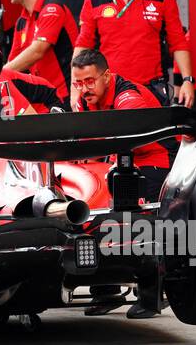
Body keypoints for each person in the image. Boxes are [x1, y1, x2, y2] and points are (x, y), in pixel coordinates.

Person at [70, 48, 171, 320]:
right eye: (78, 83)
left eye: (90, 81)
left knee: (134, 217)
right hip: (121, 163)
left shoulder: (128, 97)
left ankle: (152, 296)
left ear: (107, 76)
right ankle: (106, 289)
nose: (84, 89)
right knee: (90, 209)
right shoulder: (86, 100)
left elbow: (124, 136)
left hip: (157, 162)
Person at [73, 0, 195, 109]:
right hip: (109, 90)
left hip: (152, 89)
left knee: (154, 136)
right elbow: (83, 45)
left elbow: (178, 41)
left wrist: (187, 80)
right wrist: (74, 88)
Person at [1, 0, 80, 106]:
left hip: (65, 95)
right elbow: (14, 60)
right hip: (43, 98)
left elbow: (37, 51)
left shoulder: (52, 9)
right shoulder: (22, 21)